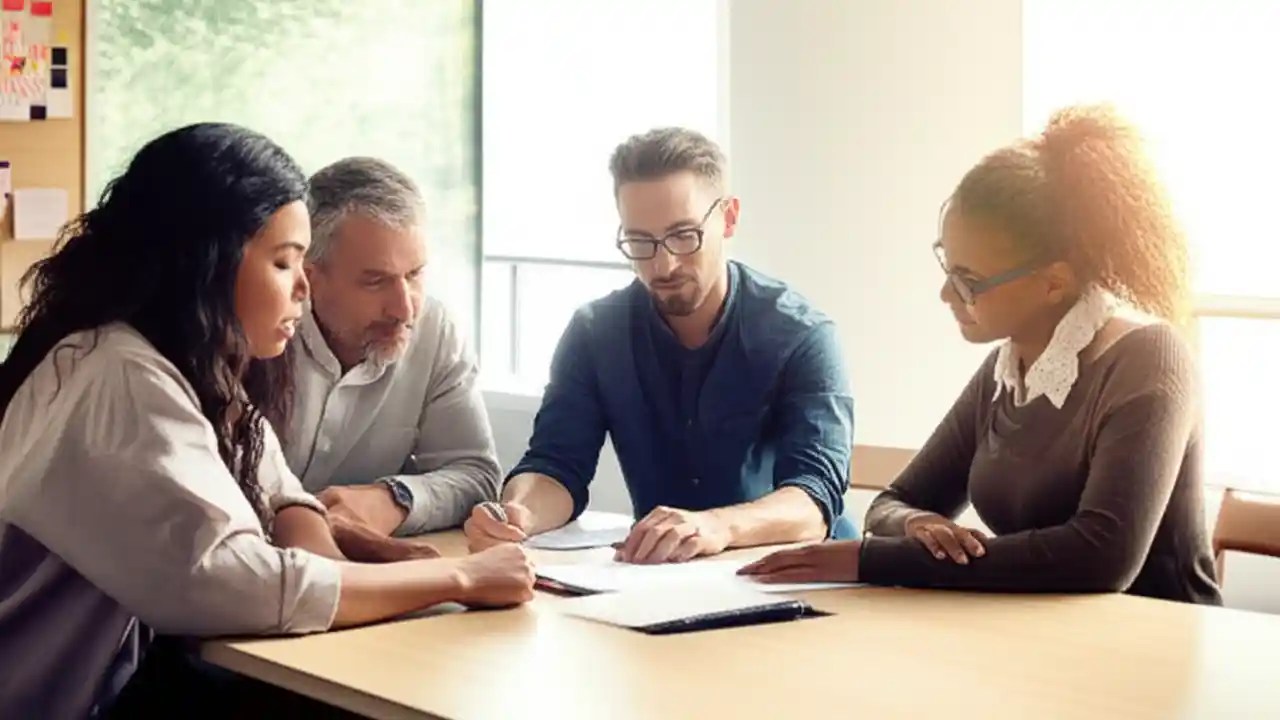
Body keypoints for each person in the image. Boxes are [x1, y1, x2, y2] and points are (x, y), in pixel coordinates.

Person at [0, 124, 535, 718]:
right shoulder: (118, 374)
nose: (303, 287)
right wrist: (459, 578)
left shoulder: (185, 362)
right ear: (208, 262)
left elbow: (277, 493)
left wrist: (358, 565)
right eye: (285, 262)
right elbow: (228, 581)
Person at [741, 105, 1223, 606]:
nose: (946, 295)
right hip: (1043, 634)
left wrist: (871, 560)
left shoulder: (1150, 358)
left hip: (1162, 637)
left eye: (968, 280)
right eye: (947, 269)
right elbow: (892, 503)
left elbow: (1101, 557)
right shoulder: (1007, 369)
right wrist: (917, 524)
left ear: (1054, 282)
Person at [464, 127, 855, 565]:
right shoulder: (595, 333)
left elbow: (813, 500)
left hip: (801, 577)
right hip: (661, 576)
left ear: (728, 218)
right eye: (640, 242)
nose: (663, 265)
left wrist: (716, 525)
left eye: (684, 235)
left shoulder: (802, 335)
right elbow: (556, 466)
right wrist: (518, 513)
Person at [281, 157, 499, 538]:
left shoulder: (436, 331)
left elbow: (476, 474)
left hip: (368, 560)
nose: (405, 309)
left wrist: (395, 499)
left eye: (414, 275)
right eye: (376, 281)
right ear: (310, 278)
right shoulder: (257, 332)